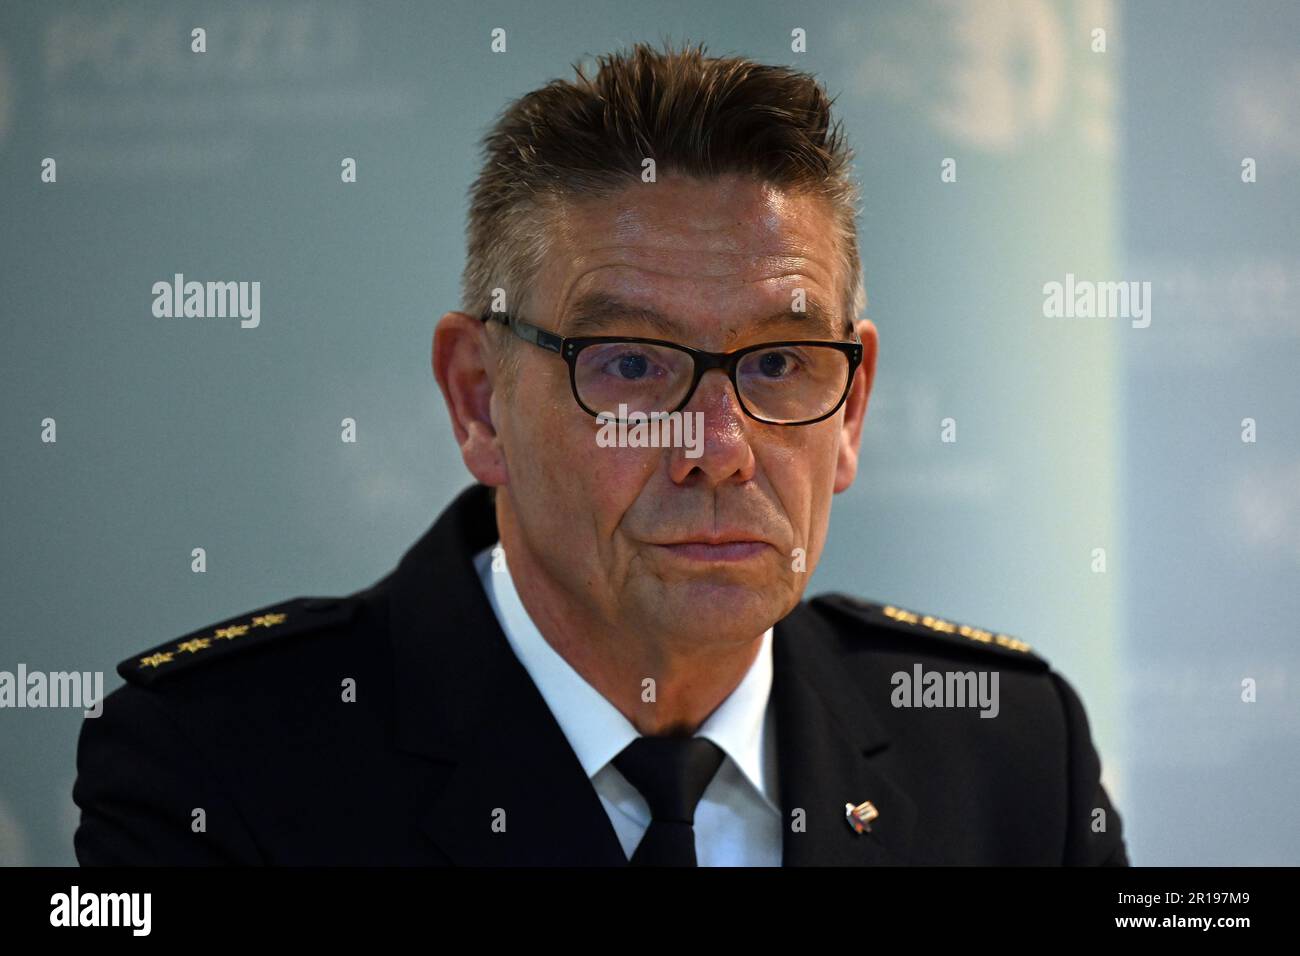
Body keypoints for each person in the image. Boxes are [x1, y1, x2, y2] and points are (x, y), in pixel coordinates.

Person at [72, 42, 1128, 866]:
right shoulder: (218, 764)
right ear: (479, 399)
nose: (716, 449)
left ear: (851, 410)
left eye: (779, 364)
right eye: (629, 365)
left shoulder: (1007, 752)